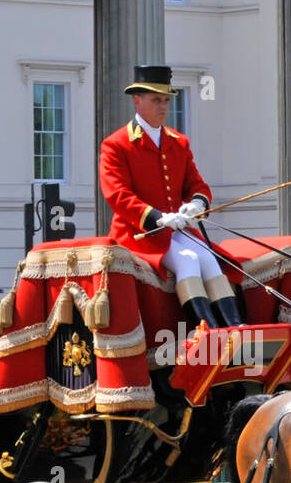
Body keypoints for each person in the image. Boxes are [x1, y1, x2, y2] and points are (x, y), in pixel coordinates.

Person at [99, 64, 242, 330]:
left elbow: (196, 183)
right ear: (137, 100)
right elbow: (117, 195)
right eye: (156, 100)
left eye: (166, 100)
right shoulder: (116, 144)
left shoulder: (178, 142)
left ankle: (233, 328)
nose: (163, 106)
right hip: (139, 233)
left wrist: (196, 204)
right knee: (188, 260)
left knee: (210, 260)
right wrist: (159, 218)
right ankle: (208, 331)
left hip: (178, 230)